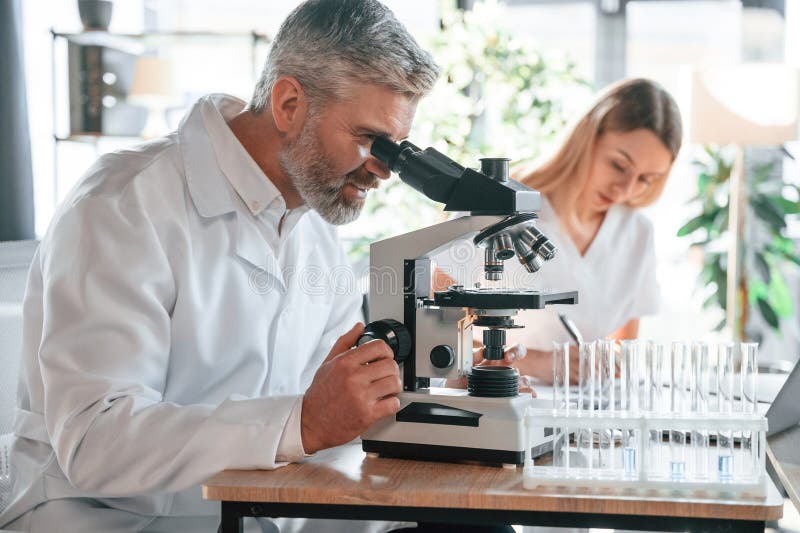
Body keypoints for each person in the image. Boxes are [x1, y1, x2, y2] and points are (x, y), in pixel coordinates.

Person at [0, 1, 439, 531]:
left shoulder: (315, 229)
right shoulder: (123, 203)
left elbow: (332, 418)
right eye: (371, 141)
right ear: (289, 103)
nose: (382, 170)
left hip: (258, 513)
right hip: (108, 518)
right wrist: (301, 420)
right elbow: (96, 441)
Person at [435, 78, 682, 384]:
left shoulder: (637, 234)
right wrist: (538, 363)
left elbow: (620, 353)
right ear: (586, 137)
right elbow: (432, 331)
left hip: (583, 416)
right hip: (496, 401)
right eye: (619, 165)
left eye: (646, 178)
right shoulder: (499, 205)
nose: (626, 189)